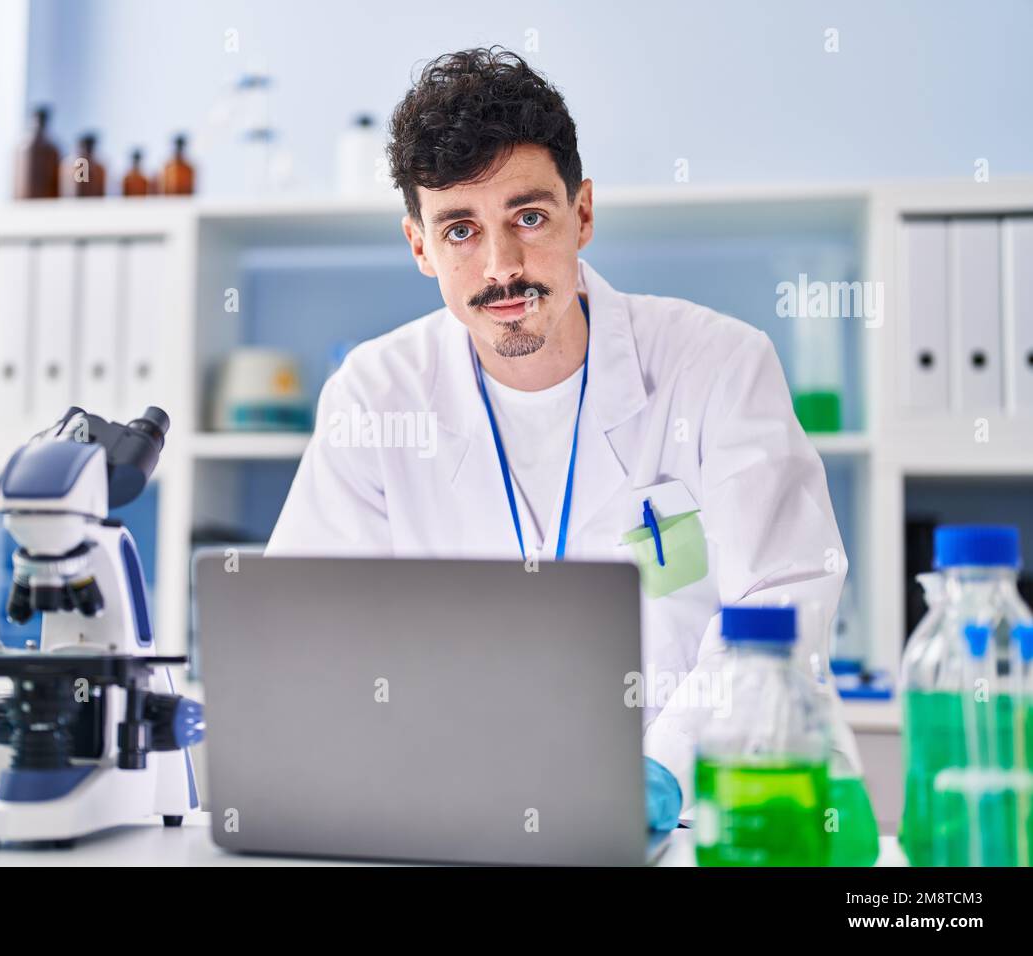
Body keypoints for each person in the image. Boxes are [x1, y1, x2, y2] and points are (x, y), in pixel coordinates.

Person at [266, 47, 857, 830]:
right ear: (420, 246)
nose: (501, 266)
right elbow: (308, 638)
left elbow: (782, 602)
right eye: (460, 231)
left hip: (708, 812)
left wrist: (661, 772)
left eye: (529, 217)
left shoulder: (719, 366)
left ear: (582, 214)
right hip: (461, 818)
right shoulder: (375, 396)